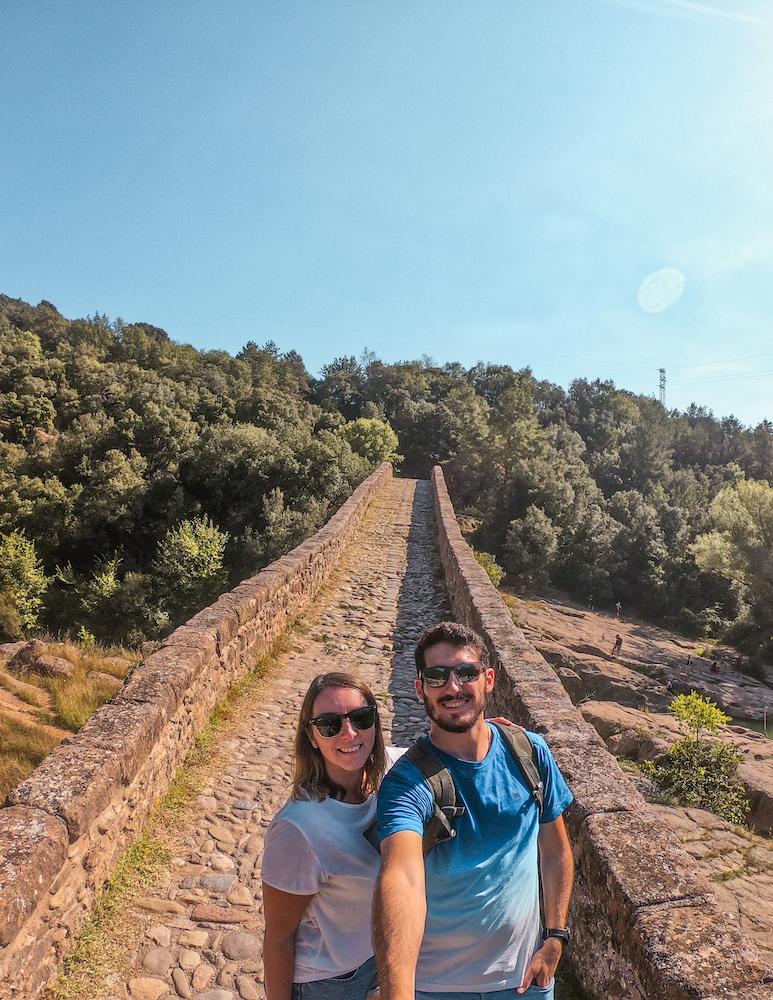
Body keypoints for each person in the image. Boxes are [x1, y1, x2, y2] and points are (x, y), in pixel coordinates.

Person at [374, 622, 574, 1000]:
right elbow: (401, 879)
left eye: (466, 673)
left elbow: (555, 849)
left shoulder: (530, 753)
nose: (453, 688)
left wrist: (555, 937)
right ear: (420, 689)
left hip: (526, 983)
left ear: (489, 680)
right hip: (435, 987)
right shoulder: (406, 783)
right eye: (437, 677)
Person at [261, 672, 388, 1000]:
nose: (350, 733)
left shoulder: (387, 778)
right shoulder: (298, 828)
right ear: (312, 737)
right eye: (330, 724)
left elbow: (441, 751)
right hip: (328, 983)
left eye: (361, 718)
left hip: (378, 962)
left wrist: (490, 732)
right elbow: (278, 936)